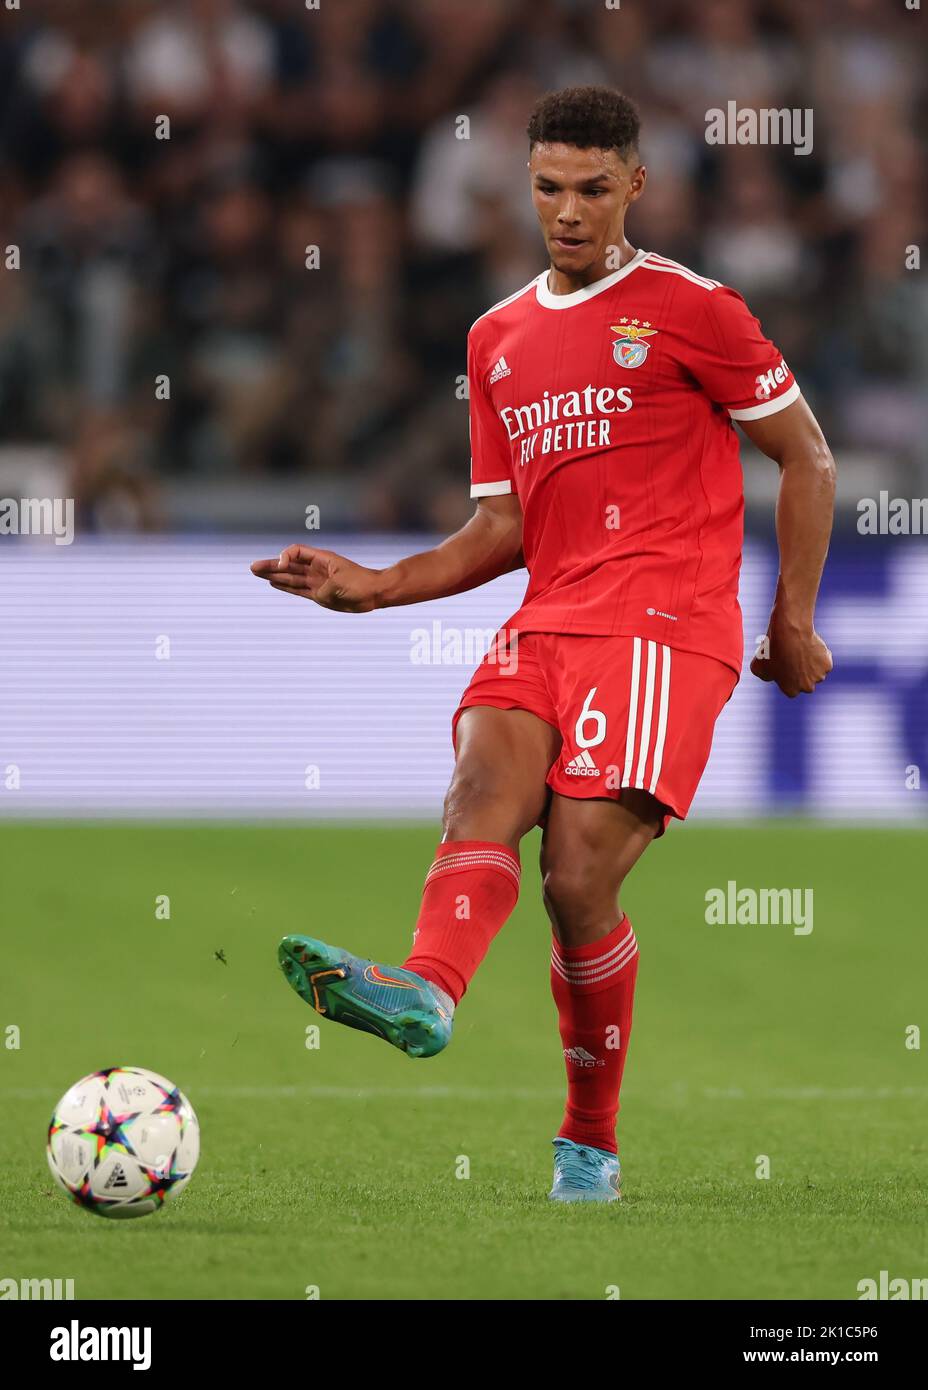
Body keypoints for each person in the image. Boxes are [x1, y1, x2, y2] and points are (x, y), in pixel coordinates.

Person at [251, 85, 835, 1203]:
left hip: (666, 624)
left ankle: (589, 1142)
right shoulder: (496, 339)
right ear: (527, 186)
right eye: (548, 189)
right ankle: (425, 989)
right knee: (480, 787)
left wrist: (791, 617)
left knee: (575, 882)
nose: (568, 212)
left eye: (591, 189)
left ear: (634, 187)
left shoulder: (693, 307)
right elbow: (502, 527)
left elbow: (804, 457)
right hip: (548, 619)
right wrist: (372, 588)